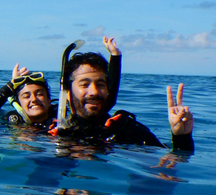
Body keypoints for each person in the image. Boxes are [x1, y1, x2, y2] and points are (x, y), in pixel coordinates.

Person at [54, 47, 194, 152]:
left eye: (101, 84)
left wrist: (182, 137)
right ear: (67, 92)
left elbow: (169, 165)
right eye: (84, 85)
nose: (94, 92)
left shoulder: (127, 132)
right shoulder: (54, 131)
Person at [0, 37, 122, 129]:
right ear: (18, 103)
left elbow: (104, 102)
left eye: (39, 94)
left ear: (50, 99)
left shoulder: (61, 119)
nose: (34, 99)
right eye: (26, 96)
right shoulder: (13, 121)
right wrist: (10, 86)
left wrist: (115, 57)